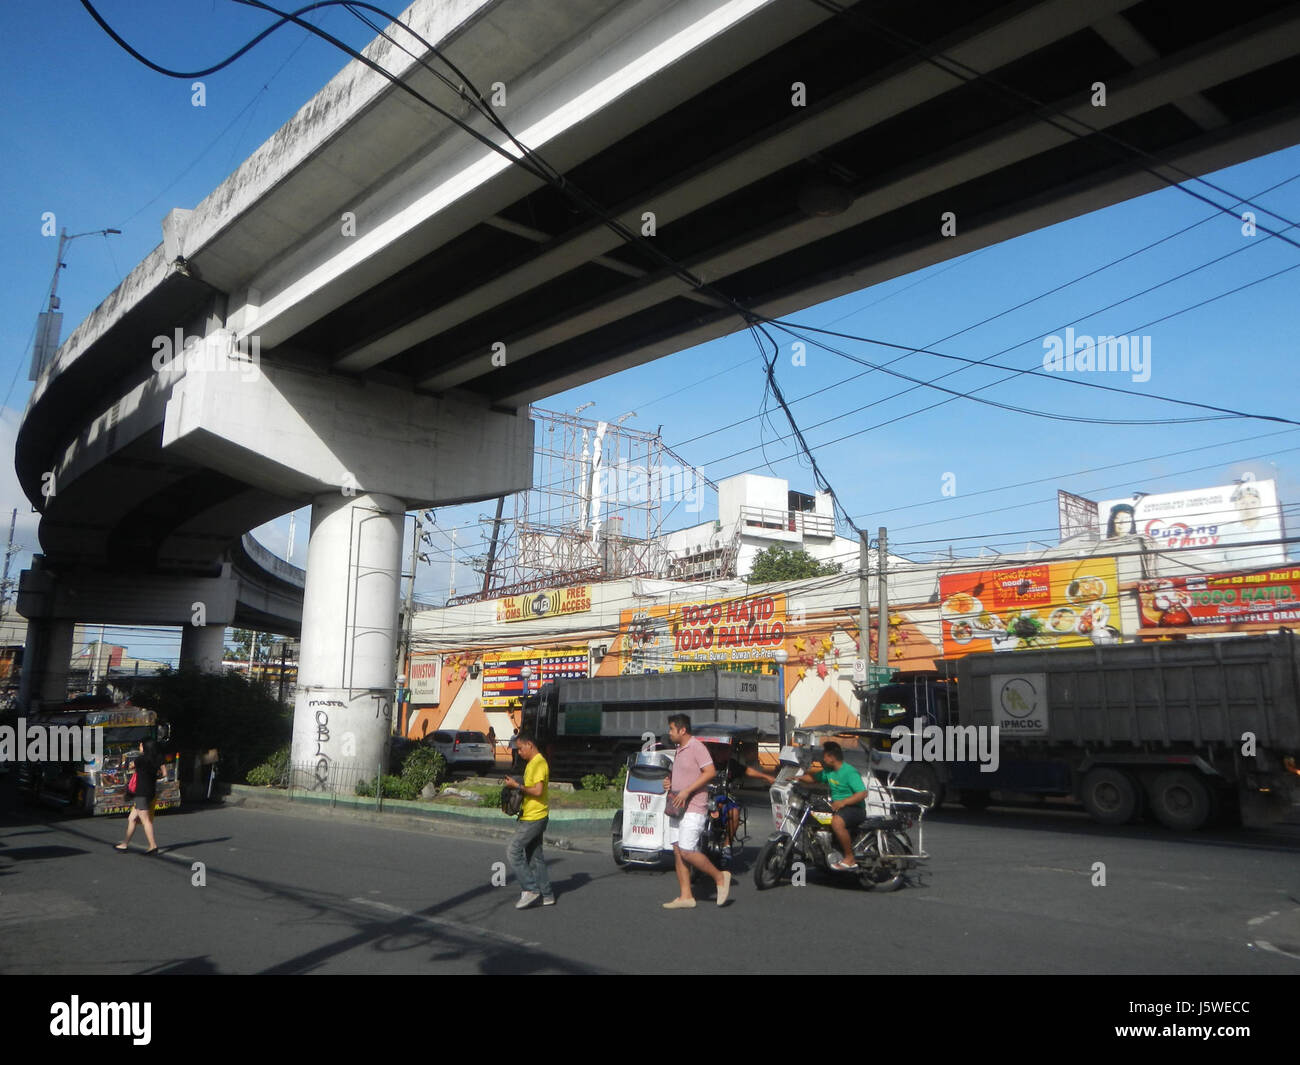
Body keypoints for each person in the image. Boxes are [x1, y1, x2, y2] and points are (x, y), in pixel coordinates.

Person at [662, 714, 731, 909]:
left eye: (671, 729)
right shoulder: (680, 749)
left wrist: (687, 791)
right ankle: (686, 896)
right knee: (677, 851)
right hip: (677, 806)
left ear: (682, 730)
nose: (669, 733)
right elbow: (683, 774)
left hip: (693, 806)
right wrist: (669, 782)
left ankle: (720, 877)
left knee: (687, 851)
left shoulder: (696, 747)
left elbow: (710, 772)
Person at [795, 741, 868, 871]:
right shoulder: (829, 771)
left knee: (836, 822)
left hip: (855, 809)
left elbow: (862, 793)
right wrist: (797, 778)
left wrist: (843, 802)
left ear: (832, 757)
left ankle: (850, 858)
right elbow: (814, 778)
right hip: (839, 807)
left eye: (825, 756)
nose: (823, 758)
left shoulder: (849, 772)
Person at [503, 731, 553, 909]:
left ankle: (530, 889)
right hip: (534, 815)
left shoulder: (538, 763)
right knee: (534, 857)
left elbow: (538, 791)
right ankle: (547, 895)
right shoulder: (533, 763)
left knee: (513, 851)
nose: (519, 752)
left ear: (530, 745)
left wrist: (516, 786)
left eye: (521, 748)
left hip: (534, 817)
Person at [115, 739, 161, 854]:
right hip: (150, 792)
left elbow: (130, 766)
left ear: (145, 748)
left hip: (141, 793)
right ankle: (125, 844)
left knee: (146, 821)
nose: (140, 747)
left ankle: (153, 845)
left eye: (141, 745)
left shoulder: (141, 760)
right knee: (132, 818)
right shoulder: (155, 760)